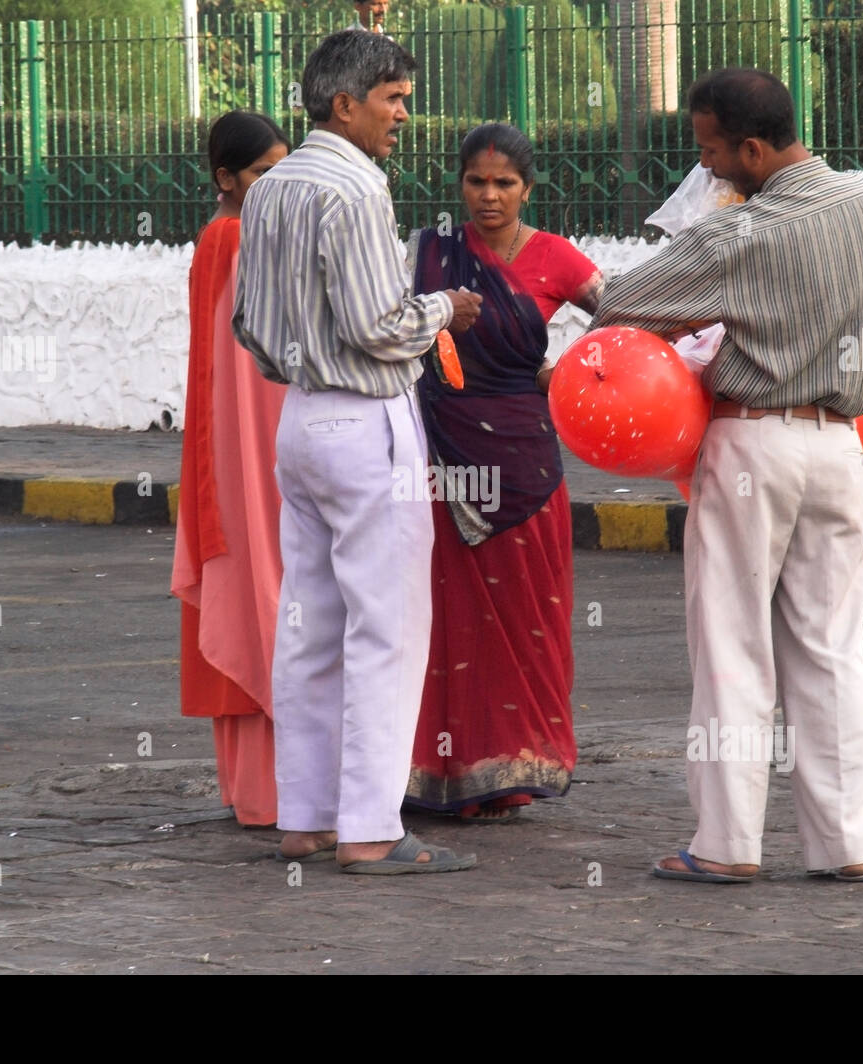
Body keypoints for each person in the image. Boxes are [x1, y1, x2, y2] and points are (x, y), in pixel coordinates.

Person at [590, 68, 863, 884]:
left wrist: (692, 308)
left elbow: (620, 302)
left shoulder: (736, 237)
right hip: (842, 449)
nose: (707, 169)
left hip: (751, 447)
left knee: (732, 647)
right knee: (833, 651)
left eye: (712, 152)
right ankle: (851, 847)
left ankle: (727, 845)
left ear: (754, 148)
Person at [233, 30, 483, 873]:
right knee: (388, 630)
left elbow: (249, 325)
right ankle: (372, 827)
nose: (403, 116)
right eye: (393, 99)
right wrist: (444, 307)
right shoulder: (355, 187)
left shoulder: (269, 190)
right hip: (367, 418)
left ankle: (305, 817)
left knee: (307, 626)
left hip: (299, 419)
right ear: (346, 104)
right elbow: (380, 326)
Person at [403, 124, 603, 822]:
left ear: (528, 187)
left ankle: (512, 768)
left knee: (524, 617)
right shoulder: (428, 253)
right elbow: (393, 327)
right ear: (459, 184)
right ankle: (441, 770)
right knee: (445, 615)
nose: (489, 196)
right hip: (444, 459)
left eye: (505, 184)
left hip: (523, 463)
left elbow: (627, 324)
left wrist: (568, 375)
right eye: (476, 182)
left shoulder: (555, 259)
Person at [171, 111, 290, 828]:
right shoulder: (240, 238)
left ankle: (259, 790)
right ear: (226, 179)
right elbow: (250, 375)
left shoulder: (224, 236)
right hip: (256, 451)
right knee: (266, 594)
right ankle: (279, 791)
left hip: (244, 448)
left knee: (258, 591)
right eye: (263, 177)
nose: (275, 190)